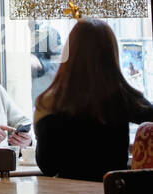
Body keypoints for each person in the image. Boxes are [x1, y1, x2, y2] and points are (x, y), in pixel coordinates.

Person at [34, 18, 153, 182]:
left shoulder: (53, 103)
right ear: (111, 55)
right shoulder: (122, 97)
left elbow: (48, 165)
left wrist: (41, 125)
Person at [30, 23, 62, 106]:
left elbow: (61, 64)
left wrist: (40, 64)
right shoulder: (11, 33)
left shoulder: (49, 33)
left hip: (40, 103)